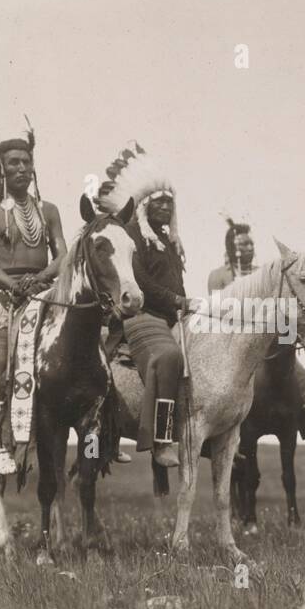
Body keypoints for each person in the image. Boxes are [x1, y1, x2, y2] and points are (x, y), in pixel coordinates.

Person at [0, 105, 67, 469]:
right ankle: (1, 445)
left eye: (26, 162)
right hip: (6, 297)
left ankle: (98, 437)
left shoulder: (49, 210)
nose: (22, 168)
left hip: (45, 291)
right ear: (1, 169)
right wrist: (13, 284)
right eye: (14, 163)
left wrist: (39, 280)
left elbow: (63, 256)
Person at [93, 145, 197, 469]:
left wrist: (186, 304)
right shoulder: (132, 235)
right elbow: (142, 283)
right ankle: (162, 441)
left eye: (169, 202)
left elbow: (174, 283)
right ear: (144, 206)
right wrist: (177, 301)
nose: (165, 206)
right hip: (143, 315)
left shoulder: (167, 240)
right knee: (168, 357)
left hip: (173, 317)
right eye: (158, 201)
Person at [207, 218, 305, 450]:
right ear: (231, 247)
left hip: (269, 336)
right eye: (243, 244)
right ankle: (218, 439)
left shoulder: (263, 273)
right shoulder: (218, 276)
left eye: (251, 244)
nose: (249, 248)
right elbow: (219, 311)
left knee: (298, 373)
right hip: (235, 342)